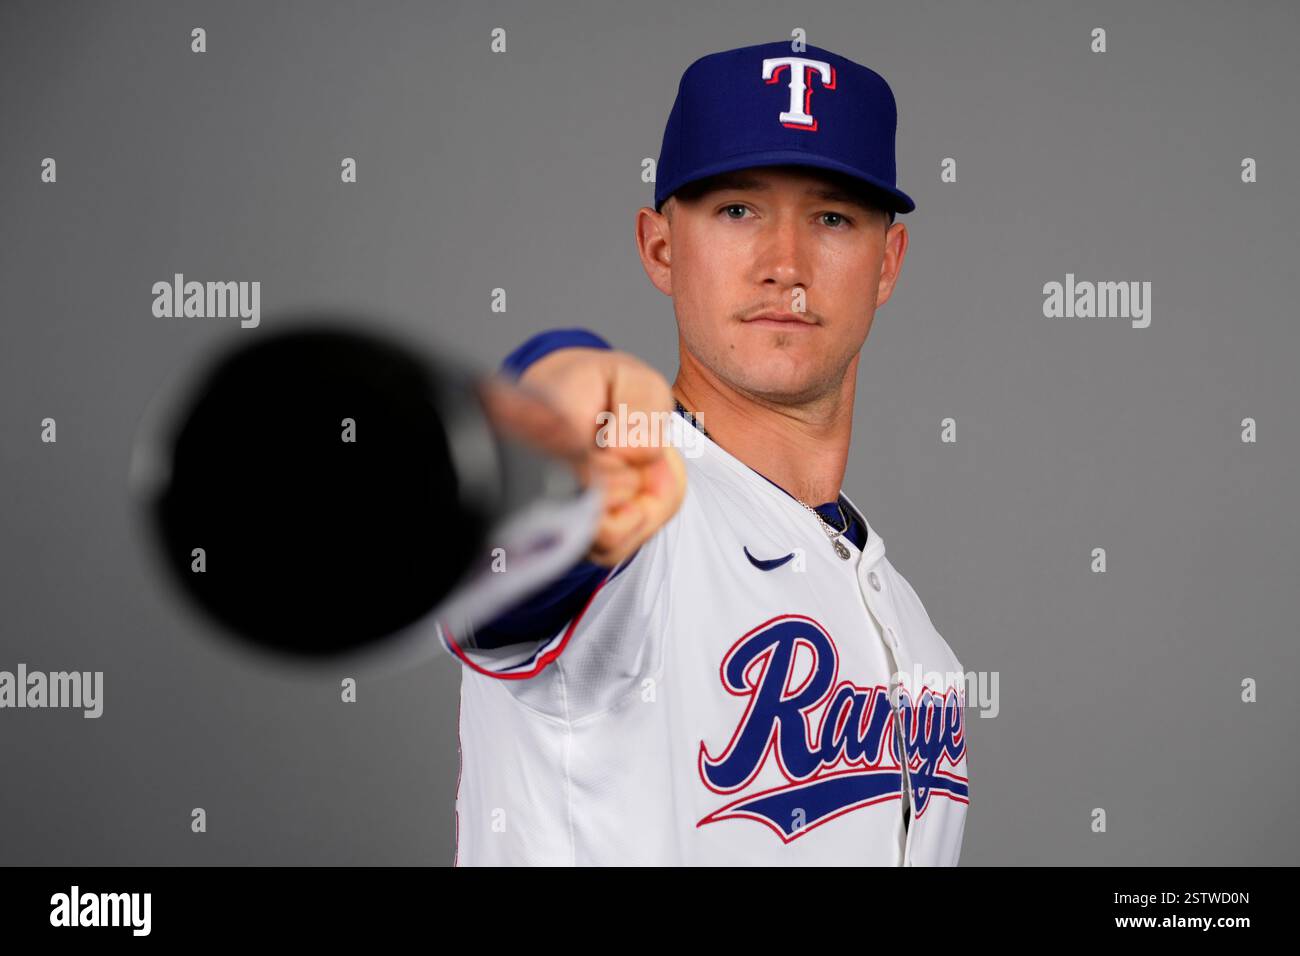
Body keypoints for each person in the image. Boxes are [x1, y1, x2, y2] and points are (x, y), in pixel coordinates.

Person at [438, 39, 969, 866]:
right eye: (737, 210)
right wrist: (553, 386)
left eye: (832, 217)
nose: (785, 265)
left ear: (887, 263)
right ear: (660, 248)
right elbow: (508, 570)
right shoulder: (636, 516)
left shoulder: (918, 632)